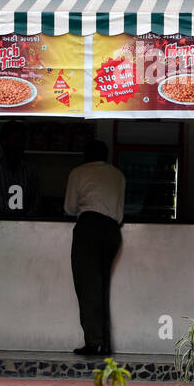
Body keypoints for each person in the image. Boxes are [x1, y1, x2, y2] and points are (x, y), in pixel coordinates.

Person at [64, 139, 126, 356]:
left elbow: (70, 207)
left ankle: (94, 342)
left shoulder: (78, 172)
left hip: (88, 228)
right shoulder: (118, 175)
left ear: (86, 155)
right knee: (104, 287)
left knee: (88, 286)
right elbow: (119, 212)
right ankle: (106, 342)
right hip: (112, 231)